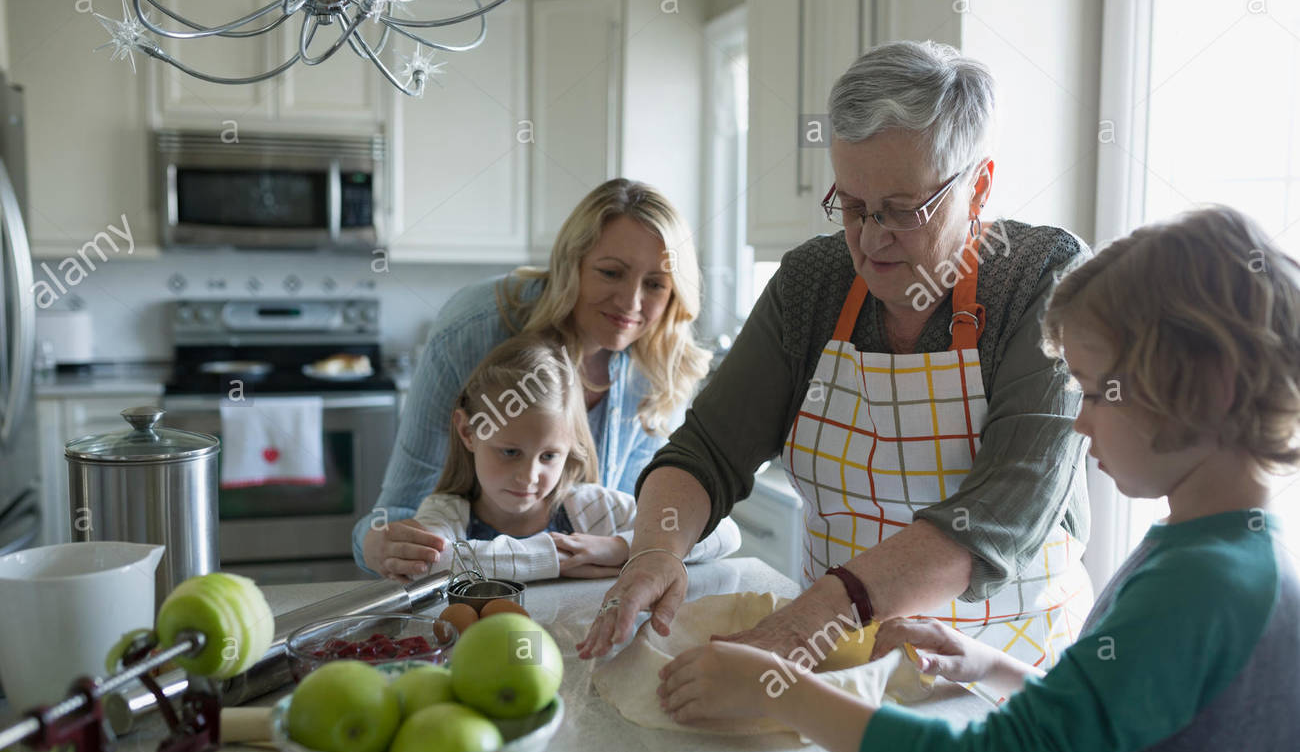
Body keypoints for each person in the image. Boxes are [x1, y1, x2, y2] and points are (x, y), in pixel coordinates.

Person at [657, 206, 1300, 752]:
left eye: (1101, 392)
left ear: (1207, 389)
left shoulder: (1199, 586)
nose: (1079, 421)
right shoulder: (1225, 551)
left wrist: (781, 690)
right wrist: (988, 666)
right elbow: (1115, 719)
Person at [580, 41, 1094, 701]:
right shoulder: (813, 284)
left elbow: (1000, 513)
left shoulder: (1044, 278)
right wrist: (655, 550)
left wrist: (808, 621)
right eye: (852, 206)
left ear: (980, 184)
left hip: (1001, 670)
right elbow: (707, 450)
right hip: (835, 665)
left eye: (903, 210)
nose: (872, 238)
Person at [355, 179, 711, 581]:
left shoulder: (661, 364)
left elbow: (658, 524)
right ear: (570, 265)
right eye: (611, 272)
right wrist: (376, 545)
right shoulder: (473, 330)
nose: (631, 303)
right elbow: (401, 515)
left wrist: (624, 547)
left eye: (655, 284)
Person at [412, 336, 739, 581]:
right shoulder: (445, 513)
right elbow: (432, 563)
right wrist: (556, 558)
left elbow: (723, 532)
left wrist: (619, 549)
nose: (529, 476)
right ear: (468, 432)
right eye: (510, 452)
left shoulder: (590, 509)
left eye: (549, 456)